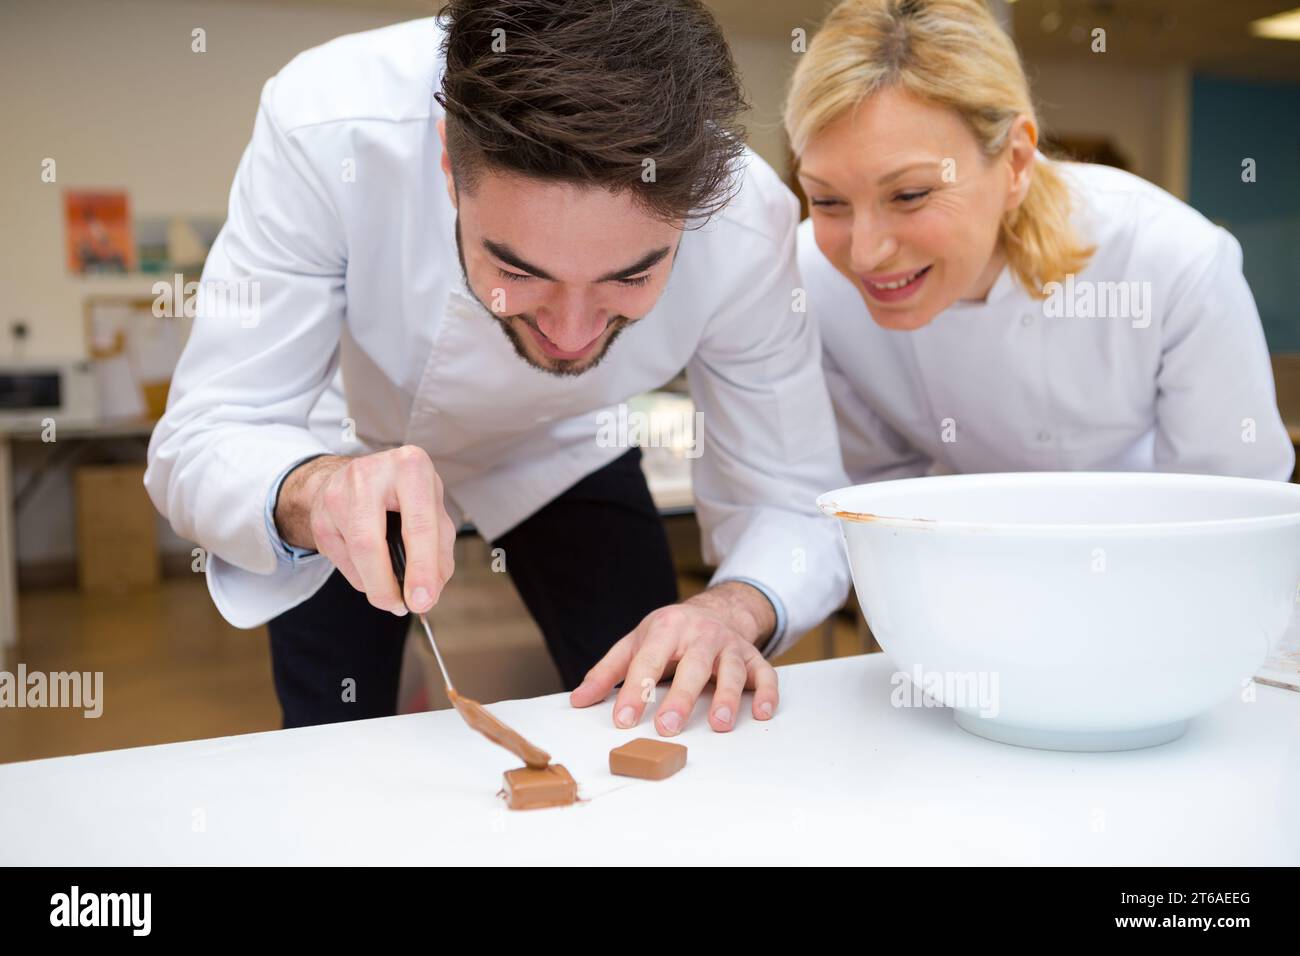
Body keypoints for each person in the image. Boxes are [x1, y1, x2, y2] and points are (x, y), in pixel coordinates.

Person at [145, 0, 850, 735]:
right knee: (333, 727)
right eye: (520, 270)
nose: (571, 336)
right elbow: (206, 431)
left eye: (629, 278)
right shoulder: (327, 124)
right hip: (349, 445)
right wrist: (315, 488)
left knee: (654, 700)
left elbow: (796, 500)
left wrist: (729, 609)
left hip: (568, 443)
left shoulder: (747, 219)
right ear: (449, 161)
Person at [786, 0, 1293, 484]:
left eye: (910, 195)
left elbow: (1233, 509)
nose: (865, 253)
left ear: (1016, 163)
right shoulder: (810, 278)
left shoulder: (1169, 260)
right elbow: (871, 494)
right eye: (828, 201)